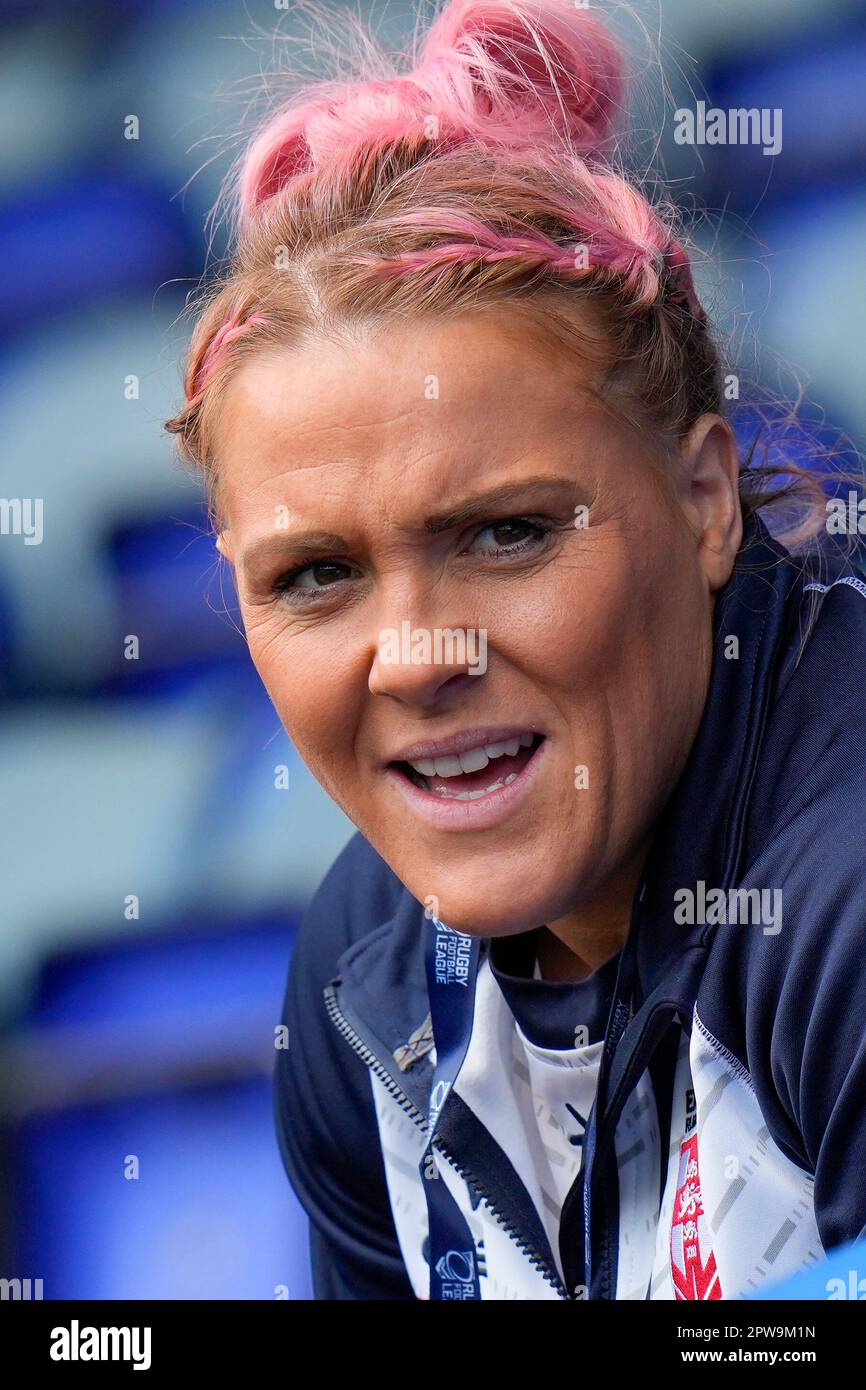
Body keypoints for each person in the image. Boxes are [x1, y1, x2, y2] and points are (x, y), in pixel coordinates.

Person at [165, 0, 866, 1300]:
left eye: (504, 533)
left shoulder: (840, 900)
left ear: (705, 500)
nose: (413, 653)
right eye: (314, 574)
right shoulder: (362, 973)